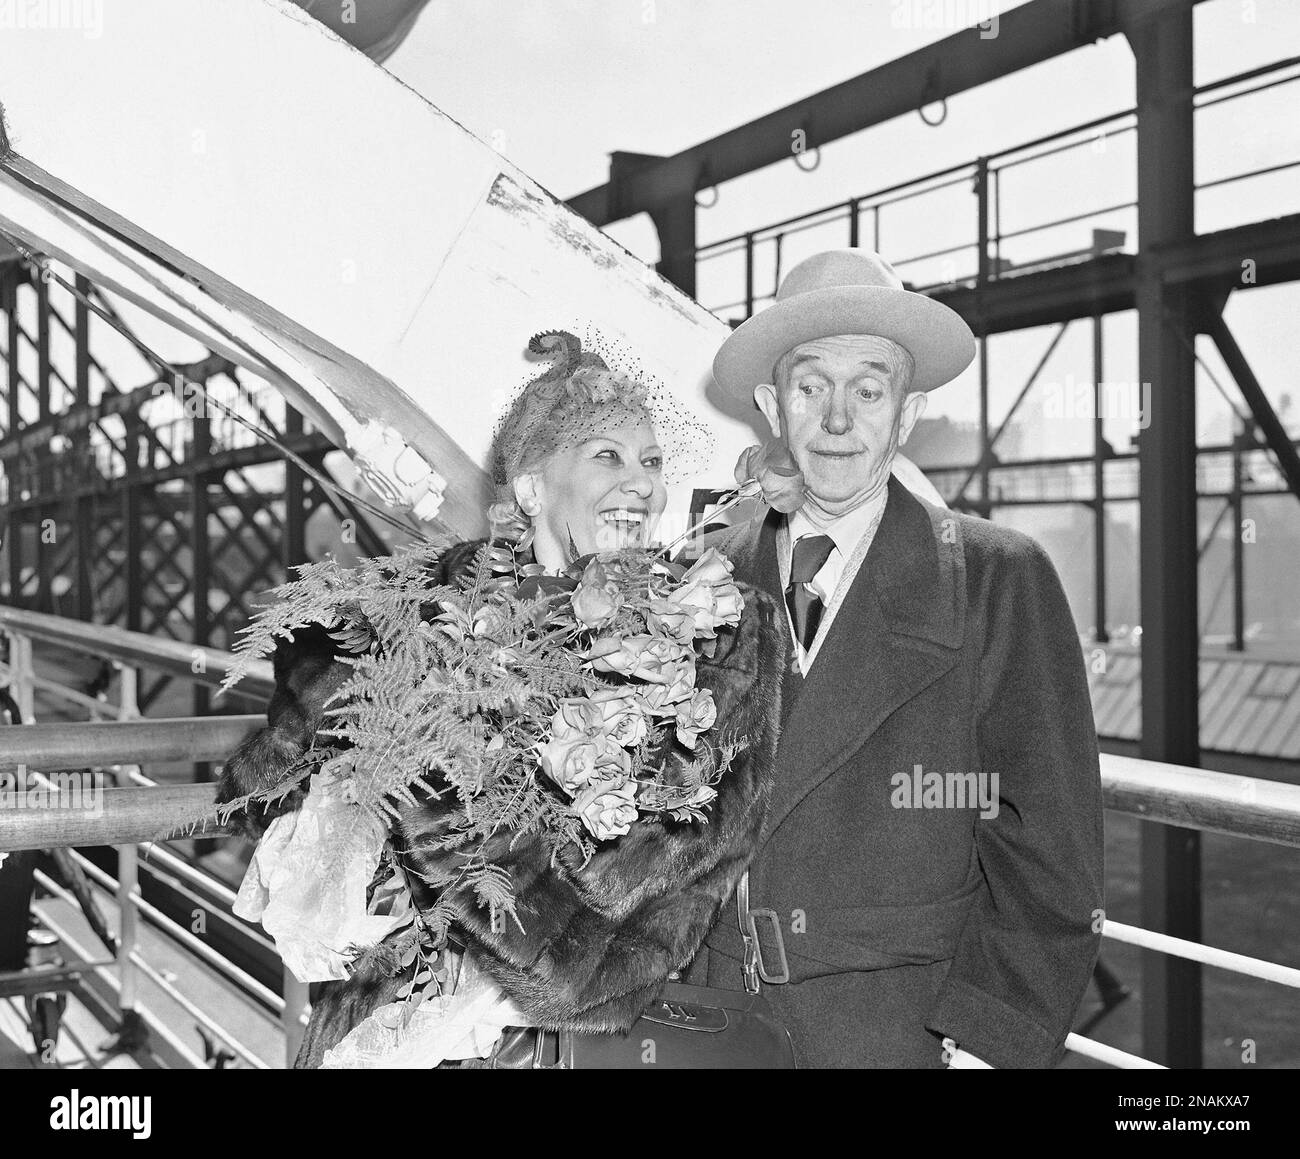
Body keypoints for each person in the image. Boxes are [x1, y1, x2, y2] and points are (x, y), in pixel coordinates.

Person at [216, 331, 788, 1067]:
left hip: (548, 1046)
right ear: (531, 489)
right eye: (607, 457)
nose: (644, 484)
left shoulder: (717, 630)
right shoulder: (427, 607)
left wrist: (433, 805)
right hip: (381, 1021)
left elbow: (620, 928)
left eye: (651, 462)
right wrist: (346, 706)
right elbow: (260, 788)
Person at [684, 249, 1106, 1068]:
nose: (837, 420)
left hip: (898, 1034)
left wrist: (988, 1043)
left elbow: (1049, 848)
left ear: (906, 415)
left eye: (868, 390)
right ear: (775, 405)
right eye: (811, 388)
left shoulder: (995, 579)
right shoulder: (708, 575)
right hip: (714, 1025)